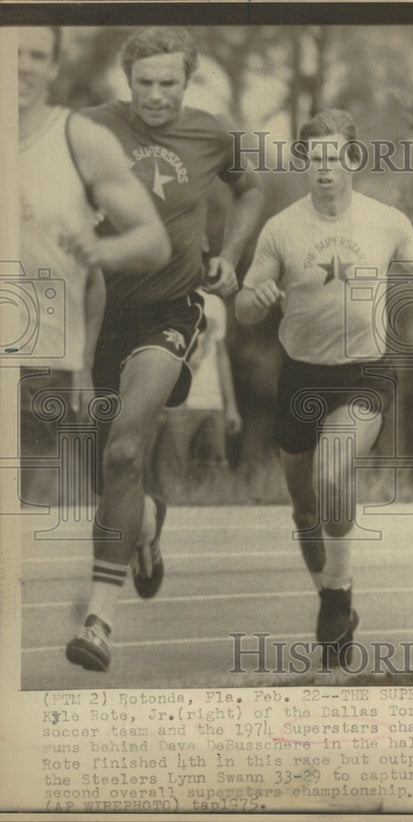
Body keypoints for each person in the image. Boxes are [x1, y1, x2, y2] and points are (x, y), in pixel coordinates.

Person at [66, 27, 262, 671]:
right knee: (116, 474)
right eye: (144, 83)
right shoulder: (87, 127)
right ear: (128, 80)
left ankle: (99, 620)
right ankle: (147, 525)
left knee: (126, 450)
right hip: (98, 312)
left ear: (188, 79)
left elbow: (250, 187)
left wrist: (230, 256)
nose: (155, 96)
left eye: (169, 83)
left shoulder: (211, 133)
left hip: (171, 311)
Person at [235, 109, 413, 667]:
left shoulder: (384, 220)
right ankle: (333, 600)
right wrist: (253, 300)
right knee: (306, 511)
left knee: (334, 471)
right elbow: (245, 300)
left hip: (365, 374)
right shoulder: (282, 228)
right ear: (304, 163)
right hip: (302, 377)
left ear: (351, 159)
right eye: (314, 159)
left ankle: (338, 592)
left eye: (334, 157)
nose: (324, 169)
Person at [18, 26, 170, 506]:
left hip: (41, 363)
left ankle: (138, 521)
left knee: (25, 523)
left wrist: (101, 251)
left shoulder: (78, 140)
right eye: (12, 53)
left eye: (36, 55)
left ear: (54, 67)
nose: (22, 66)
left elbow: (154, 240)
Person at [151, 288, 242, 495]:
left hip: (212, 401)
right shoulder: (168, 299)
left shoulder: (215, 304)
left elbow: (221, 356)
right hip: (179, 402)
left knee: (213, 476)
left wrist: (231, 406)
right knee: (172, 476)